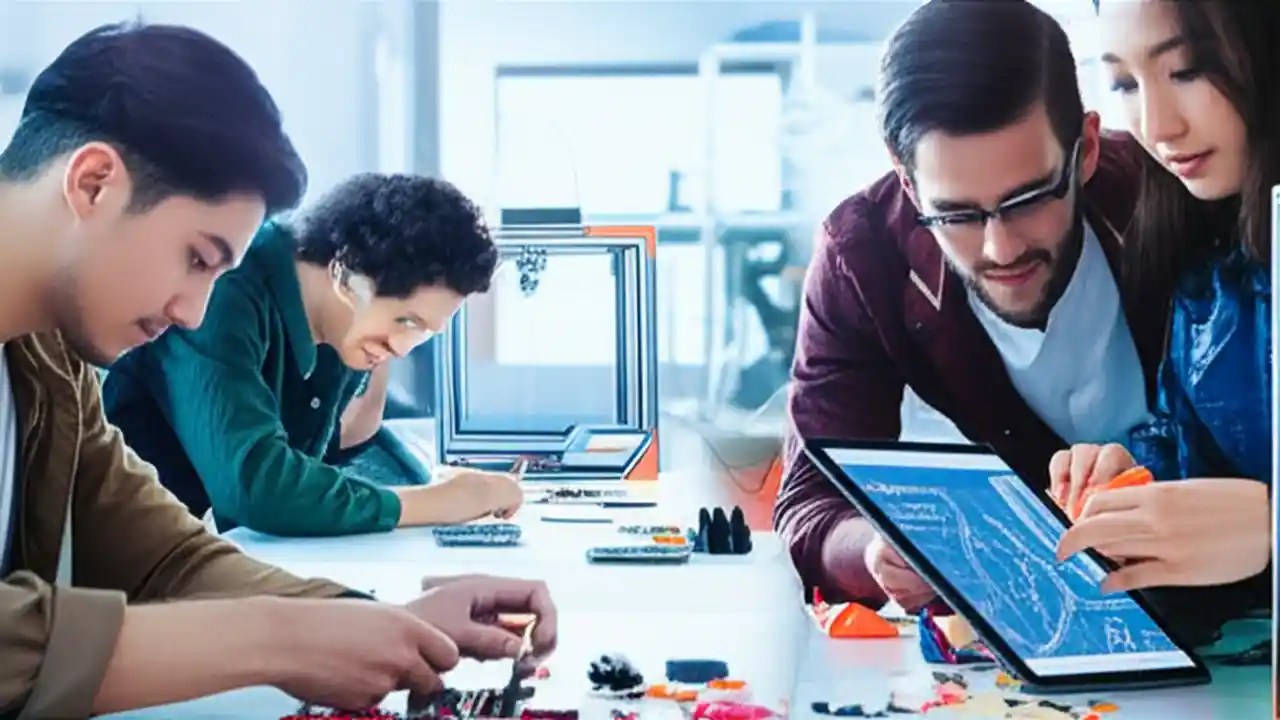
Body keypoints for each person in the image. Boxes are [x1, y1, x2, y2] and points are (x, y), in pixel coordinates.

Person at [0, 22, 553, 718]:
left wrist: (373, 620)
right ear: (94, 183)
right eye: (197, 258)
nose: (197, 314)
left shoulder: (51, 358)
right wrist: (278, 639)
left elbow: (165, 557)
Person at [774, 0, 1172, 614]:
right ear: (908, 183)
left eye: (1030, 198)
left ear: (1086, 148)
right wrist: (880, 548)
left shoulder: (1172, 195)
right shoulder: (863, 256)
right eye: (956, 214)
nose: (999, 247)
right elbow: (808, 503)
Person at [102, 173, 524, 536]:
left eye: (423, 333)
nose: (401, 347)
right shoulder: (226, 288)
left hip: (200, 550)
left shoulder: (339, 326)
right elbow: (259, 490)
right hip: (116, 566)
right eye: (405, 321)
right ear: (347, 275)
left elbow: (329, 452)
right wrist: (444, 502)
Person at [1051, 0, 1276, 597]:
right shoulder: (1208, 255)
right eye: (1125, 82)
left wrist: (1272, 526)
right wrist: (1137, 482)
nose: (1156, 125)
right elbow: (1209, 456)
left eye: (1188, 70)